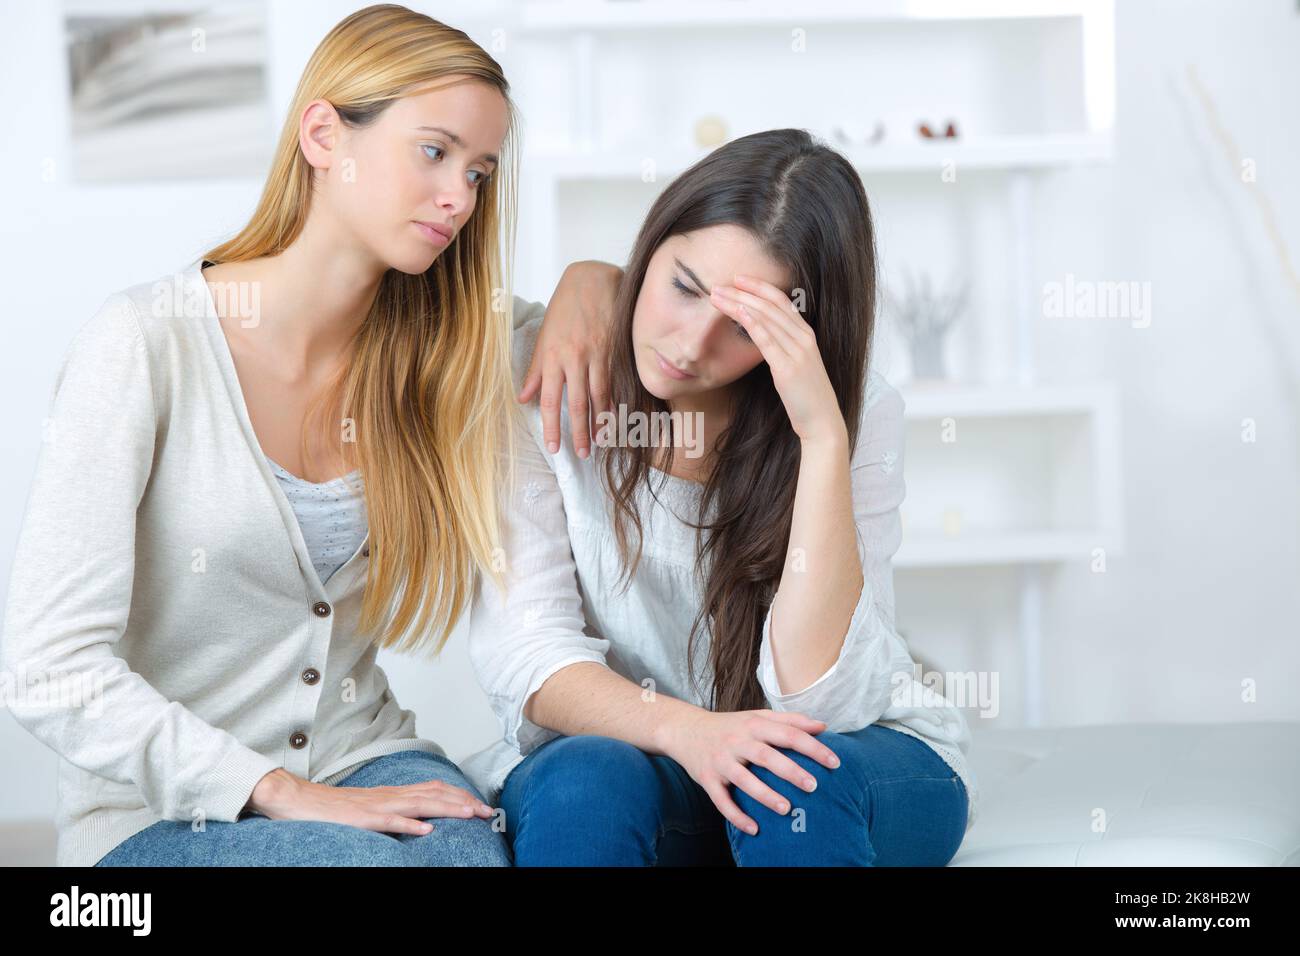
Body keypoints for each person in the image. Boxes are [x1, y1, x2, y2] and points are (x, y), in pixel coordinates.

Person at [1, 4, 616, 868]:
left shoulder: (452, 343)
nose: (459, 199)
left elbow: (631, 320)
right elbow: (48, 667)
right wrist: (281, 793)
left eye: (480, 173)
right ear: (325, 135)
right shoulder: (146, 342)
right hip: (158, 811)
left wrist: (596, 276)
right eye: (435, 152)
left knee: (468, 860)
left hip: (362, 759)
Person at [463, 128, 979, 866]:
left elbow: (821, 704)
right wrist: (692, 734)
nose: (690, 345)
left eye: (745, 326)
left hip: (846, 760)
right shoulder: (546, 373)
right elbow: (528, 656)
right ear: (651, 245)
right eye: (683, 286)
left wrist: (822, 439)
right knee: (583, 782)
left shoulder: (850, 413)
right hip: (647, 757)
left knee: (789, 776)